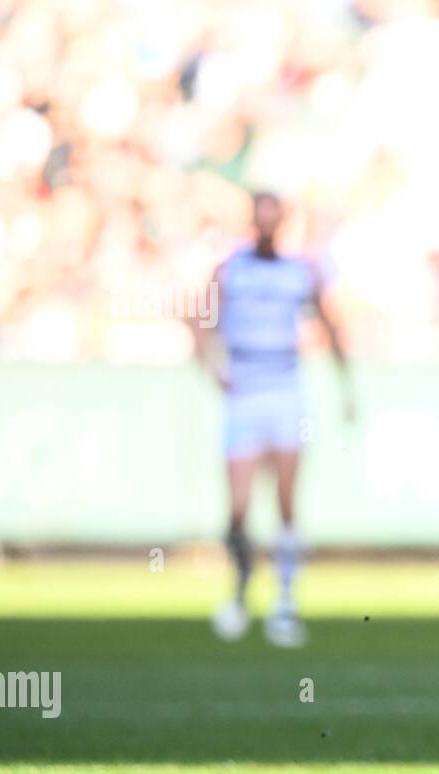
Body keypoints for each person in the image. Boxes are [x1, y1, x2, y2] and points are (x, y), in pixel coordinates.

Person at [191, 191, 353, 648]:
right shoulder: (229, 270)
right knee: (238, 508)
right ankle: (241, 592)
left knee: (285, 501)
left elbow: (330, 324)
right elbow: (200, 325)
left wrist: (347, 387)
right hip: (244, 393)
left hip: (285, 392)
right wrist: (213, 369)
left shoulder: (299, 271)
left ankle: (285, 600)